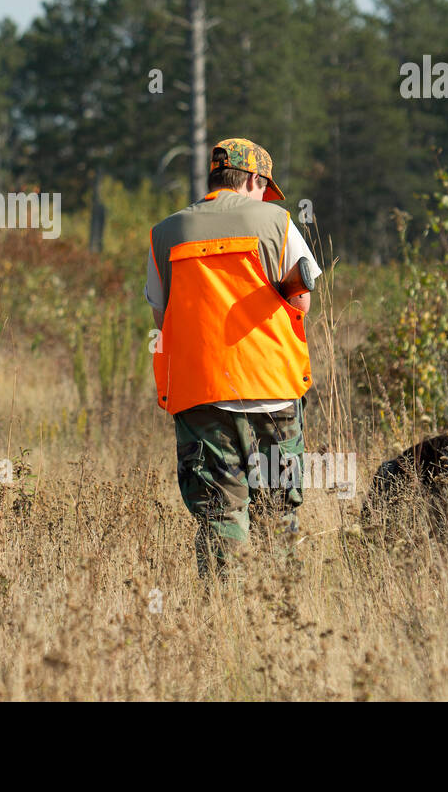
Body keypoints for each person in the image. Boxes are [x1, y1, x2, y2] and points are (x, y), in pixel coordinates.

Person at [145, 138, 319, 578]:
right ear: (255, 180)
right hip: (272, 390)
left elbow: (160, 316)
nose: (265, 197)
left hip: (199, 393)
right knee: (278, 510)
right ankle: (282, 614)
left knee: (219, 514)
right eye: (265, 188)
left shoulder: (165, 232)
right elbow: (301, 304)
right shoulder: (277, 221)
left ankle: (225, 621)